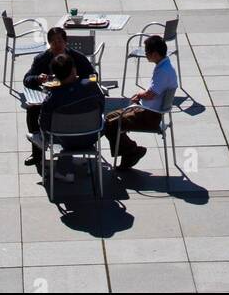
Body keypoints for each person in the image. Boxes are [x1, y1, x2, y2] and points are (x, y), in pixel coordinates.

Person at [103, 35, 176, 170]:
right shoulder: (165, 66)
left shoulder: (163, 72)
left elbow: (150, 94)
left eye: (147, 52)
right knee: (108, 118)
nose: (145, 54)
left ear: (154, 54)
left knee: (110, 124)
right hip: (146, 110)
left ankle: (131, 151)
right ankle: (129, 151)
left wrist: (139, 94)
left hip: (149, 116)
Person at [22, 27, 94, 155]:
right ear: (49, 43)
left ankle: (49, 140)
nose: (57, 45)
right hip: (51, 95)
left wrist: (77, 81)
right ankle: (38, 152)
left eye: (60, 41)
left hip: (73, 96)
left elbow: (94, 76)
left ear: (66, 42)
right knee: (32, 109)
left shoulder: (77, 57)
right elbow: (27, 79)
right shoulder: (42, 59)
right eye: (53, 42)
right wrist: (38, 79)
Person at [34, 53, 105, 181]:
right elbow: (101, 107)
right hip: (91, 135)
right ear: (73, 70)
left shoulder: (52, 99)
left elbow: (44, 125)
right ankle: (68, 165)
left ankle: (63, 171)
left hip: (64, 139)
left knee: (57, 131)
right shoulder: (91, 86)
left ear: (55, 74)